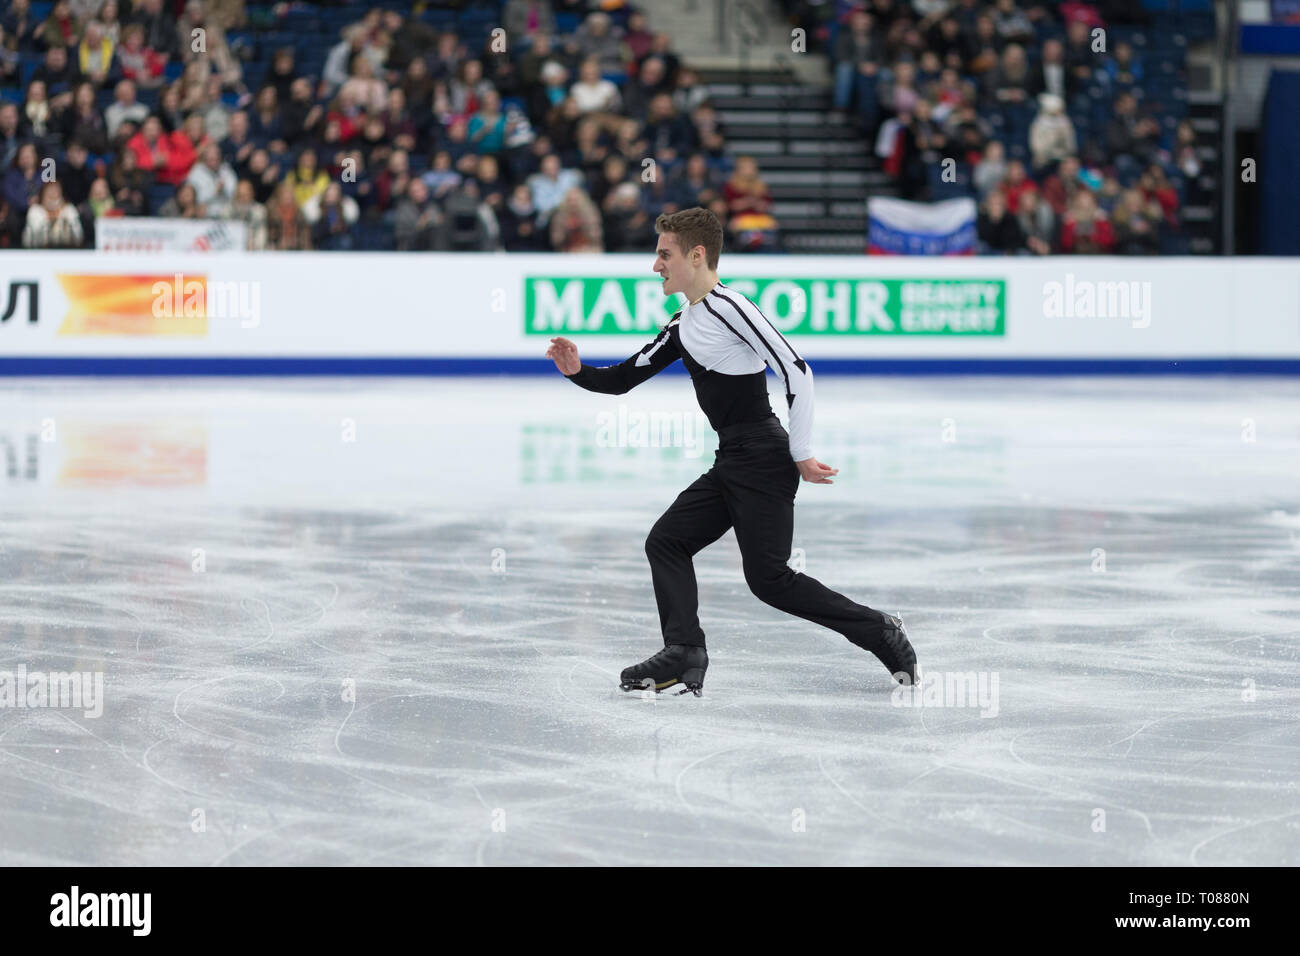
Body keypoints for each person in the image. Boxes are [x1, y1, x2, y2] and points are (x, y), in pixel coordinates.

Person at [544, 207, 917, 696]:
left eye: (664, 254)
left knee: (771, 581)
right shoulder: (683, 324)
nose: (656, 265)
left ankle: (881, 631)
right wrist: (578, 371)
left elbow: (797, 371)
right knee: (667, 542)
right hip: (734, 459)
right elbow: (625, 377)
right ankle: (684, 652)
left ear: (697, 256)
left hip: (763, 456)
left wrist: (801, 453)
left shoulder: (731, 307)